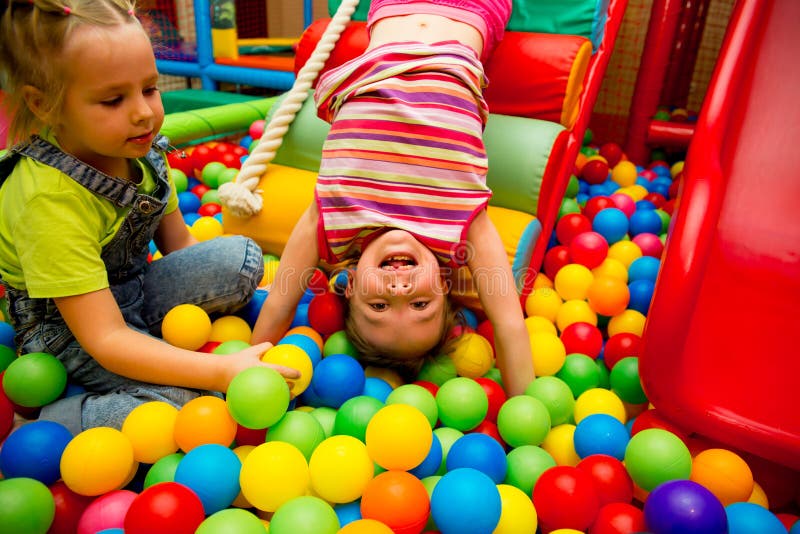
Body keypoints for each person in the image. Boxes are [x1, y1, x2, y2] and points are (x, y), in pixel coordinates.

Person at [0, 0, 299, 436]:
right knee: (198, 407)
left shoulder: (140, 148)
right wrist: (218, 370)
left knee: (243, 260)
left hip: (132, 289)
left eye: (150, 89)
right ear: (44, 106)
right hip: (68, 329)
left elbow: (180, 247)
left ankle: (159, 353)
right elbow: (105, 338)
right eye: (113, 99)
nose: (142, 112)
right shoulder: (49, 201)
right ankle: (58, 420)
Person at [252, 0, 535, 396]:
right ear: (442, 286)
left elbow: (281, 302)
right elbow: (508, 322)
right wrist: (527, 419)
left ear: (349, 288)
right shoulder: (459, 228)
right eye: (422, 306)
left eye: (378, 307)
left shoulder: (333, 223)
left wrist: (249, 365)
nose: (399, 292)